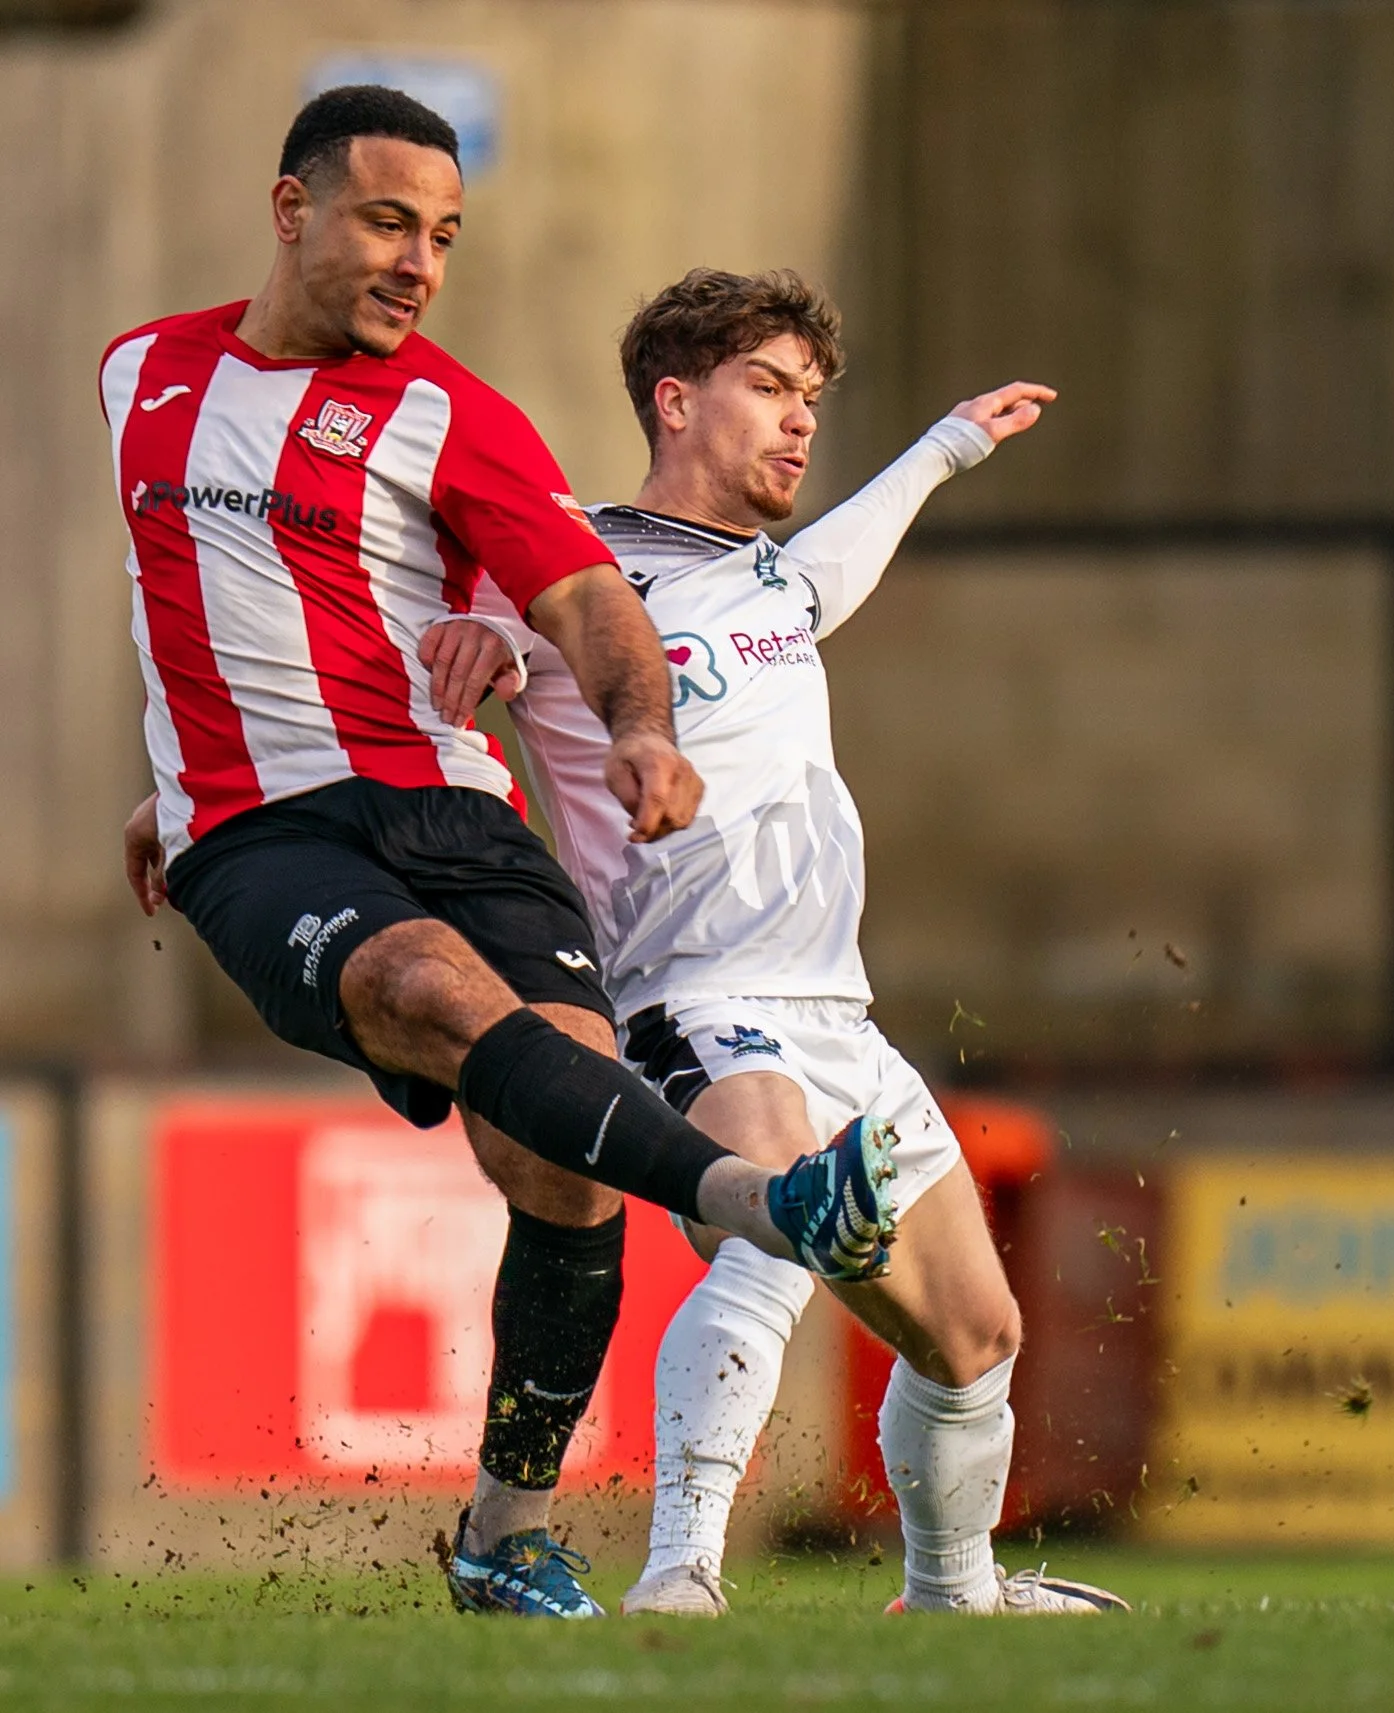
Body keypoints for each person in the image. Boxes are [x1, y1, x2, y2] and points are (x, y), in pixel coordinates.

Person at [107, 89, 895, 1621]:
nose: (421, 264)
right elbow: (183, 583)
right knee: (422, 987)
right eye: (389, 223)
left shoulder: (455, 416)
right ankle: (760, 1200)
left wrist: (642, 728)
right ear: (292, 209)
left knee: (562, 1154)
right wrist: (172, 774)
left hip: (459, 816)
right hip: (260, 830)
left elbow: (591, 601)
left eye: (446, 238)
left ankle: (501, 1533)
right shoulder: (139, 373)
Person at [427, 266, 1128, 1616]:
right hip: (692, 995)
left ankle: (953, 1594)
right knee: (775, 1219)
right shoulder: (566, 570)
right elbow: (452, 642)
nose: (801, 423)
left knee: (977, 1335)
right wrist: (462, 641)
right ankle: (682, 1564)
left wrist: (944, 448)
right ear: (674, 402)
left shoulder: (768, 583)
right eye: (769, 389)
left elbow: (833, 565)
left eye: (812, 398)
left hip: (836, 1015)